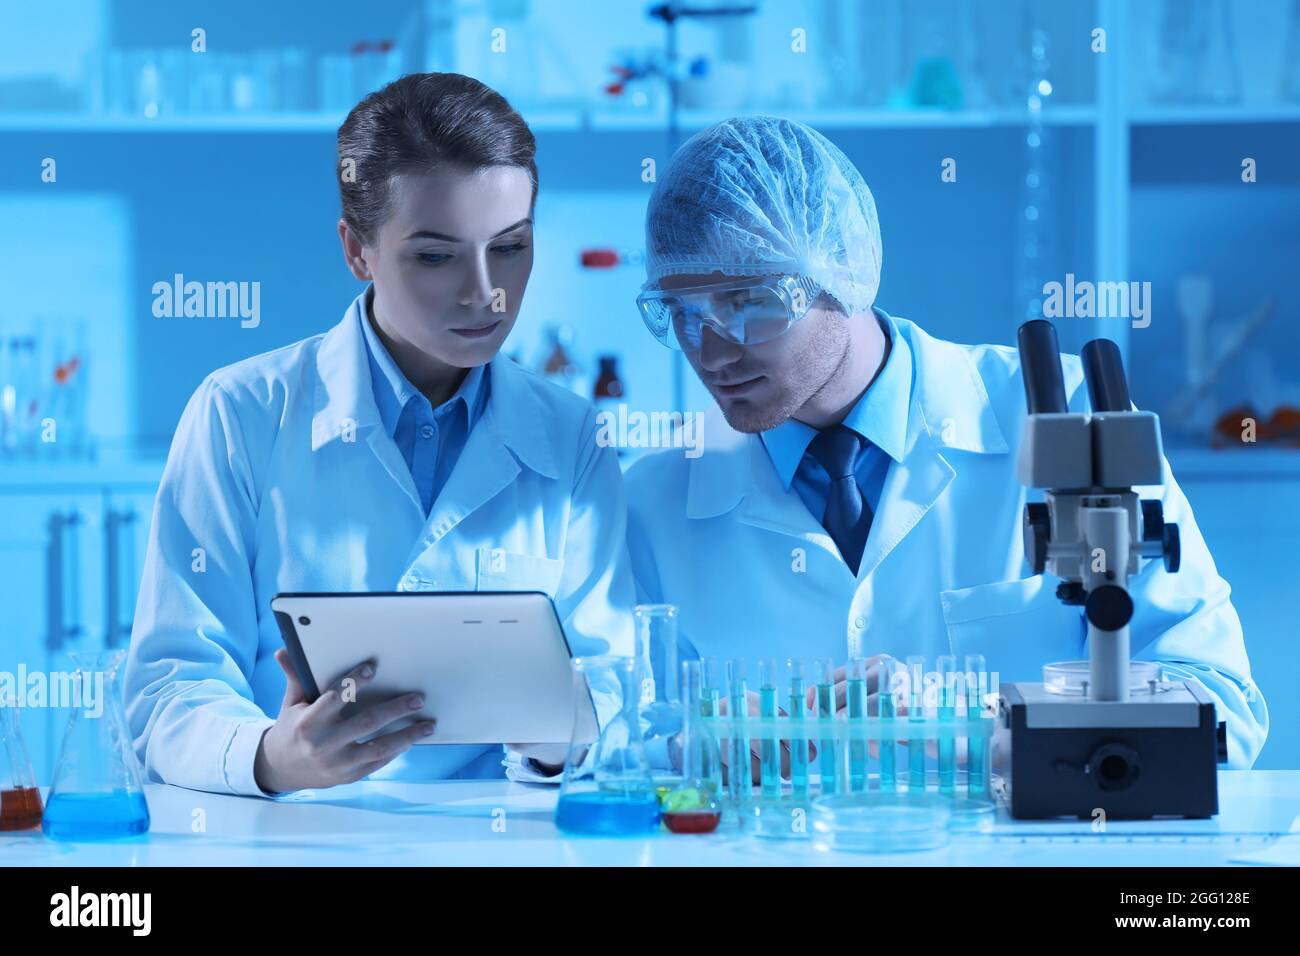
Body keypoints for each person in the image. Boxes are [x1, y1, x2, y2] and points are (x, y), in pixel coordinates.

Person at [624, 116, 1267, 771]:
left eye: (745, 300)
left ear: (841, 271)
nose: (709, 351)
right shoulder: (652, 500)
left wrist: (972, 722)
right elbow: (607, 754)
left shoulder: (1074, 421)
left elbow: (1219, 716)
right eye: (682, 312)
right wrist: (704, 749)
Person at [124, 73, 634, 797]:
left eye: (511, 246)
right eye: (435, 255)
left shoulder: (569, 435)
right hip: (292, 838)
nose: (485, 290)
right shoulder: (239, 414)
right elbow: (167, 688)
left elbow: (619, 684)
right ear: (357, 251)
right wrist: (273, 756)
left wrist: (563, 733)